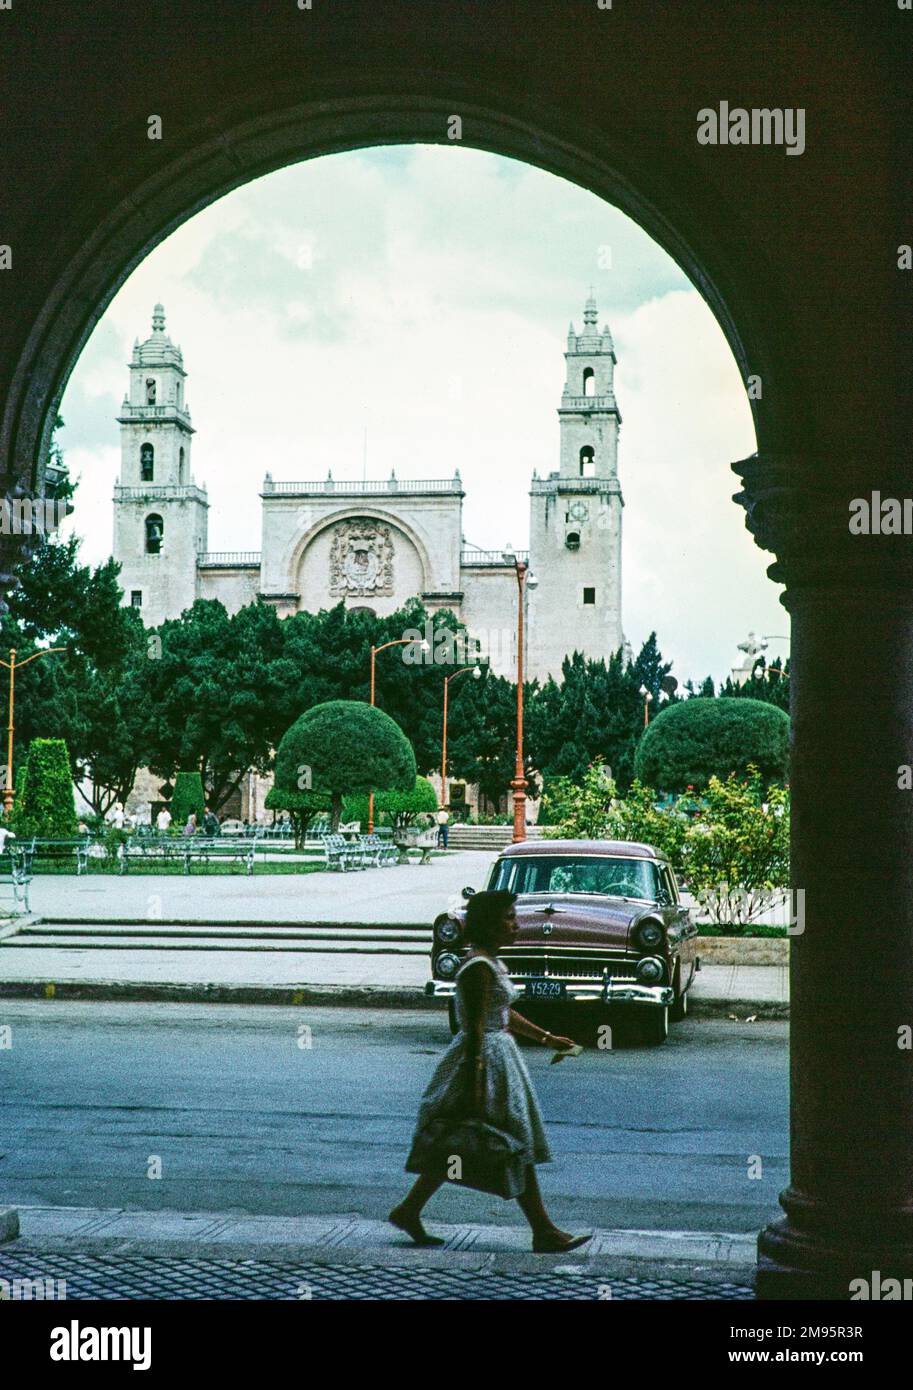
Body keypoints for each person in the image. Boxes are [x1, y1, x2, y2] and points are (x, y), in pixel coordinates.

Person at [390, 889, 591, 1254]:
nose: (515, 925)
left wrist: (546, 1037)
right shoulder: (478, 967)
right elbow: (477, 1029)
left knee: (463, 1141)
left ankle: (409, 1210)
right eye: (508, 918)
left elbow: (502, 1012)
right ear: (487, 924)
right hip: (484, 1060)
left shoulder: (490, 963)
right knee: (507, 1141)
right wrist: (475, 1082)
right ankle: (543, 1230)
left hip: (498, 1055)